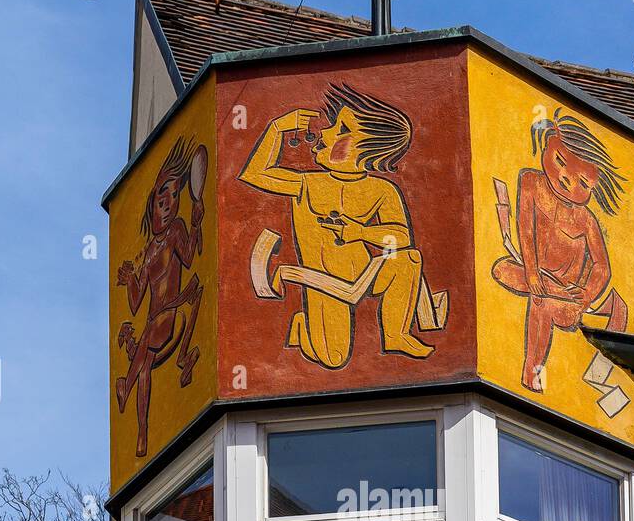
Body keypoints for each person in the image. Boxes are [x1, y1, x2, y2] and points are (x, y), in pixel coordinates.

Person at [239, 84, 435, 369]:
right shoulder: (308, 183)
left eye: (341, 129)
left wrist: (360, 232)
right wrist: (278, 128)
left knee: (408, 260)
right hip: (323, 280)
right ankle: (301, 326)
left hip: (365, 274)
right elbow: (256, 174)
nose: (326, 132)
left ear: (366, 152)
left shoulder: (383, 190)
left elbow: (401, 236)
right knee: (332, 359)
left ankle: (396, 335)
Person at [493, 110, 628, 392]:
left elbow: (602, 266)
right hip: (536, 276)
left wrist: (586, 295)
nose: (566, 178)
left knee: (542, 303)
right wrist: (532, 272)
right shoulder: (531, 181)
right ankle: (550, 291)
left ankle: (533, 375)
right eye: (559, 161)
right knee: (500, 270)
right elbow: (525, 228)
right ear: (546, 147)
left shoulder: (586, 220)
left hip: (568, 296)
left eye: (584, 183)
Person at [115, 136, 205, 457]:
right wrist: (129, 279)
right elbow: (136, 301)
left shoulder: (176, 230)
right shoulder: (148, 253)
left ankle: (125, 384)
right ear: (152, 202)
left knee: (149, 338)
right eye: (162, 197)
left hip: (171, 316)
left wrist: (196, 220)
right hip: (155, 324)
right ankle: (142, 434)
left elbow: (190, 257)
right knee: (146, 370)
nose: (168, 204)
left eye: (174, 195)